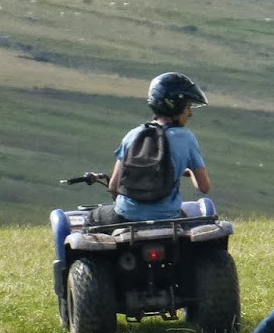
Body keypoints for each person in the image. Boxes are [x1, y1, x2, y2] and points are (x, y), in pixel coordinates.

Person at [88, 71, 212, 226]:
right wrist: (190, 172)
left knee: (92, 219)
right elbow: (204, 187)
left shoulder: (133, 135)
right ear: (176, 105)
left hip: (126, 215)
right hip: (168, 217)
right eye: (188, 107)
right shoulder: (187, 139)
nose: (190, 113)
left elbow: (114, 187)